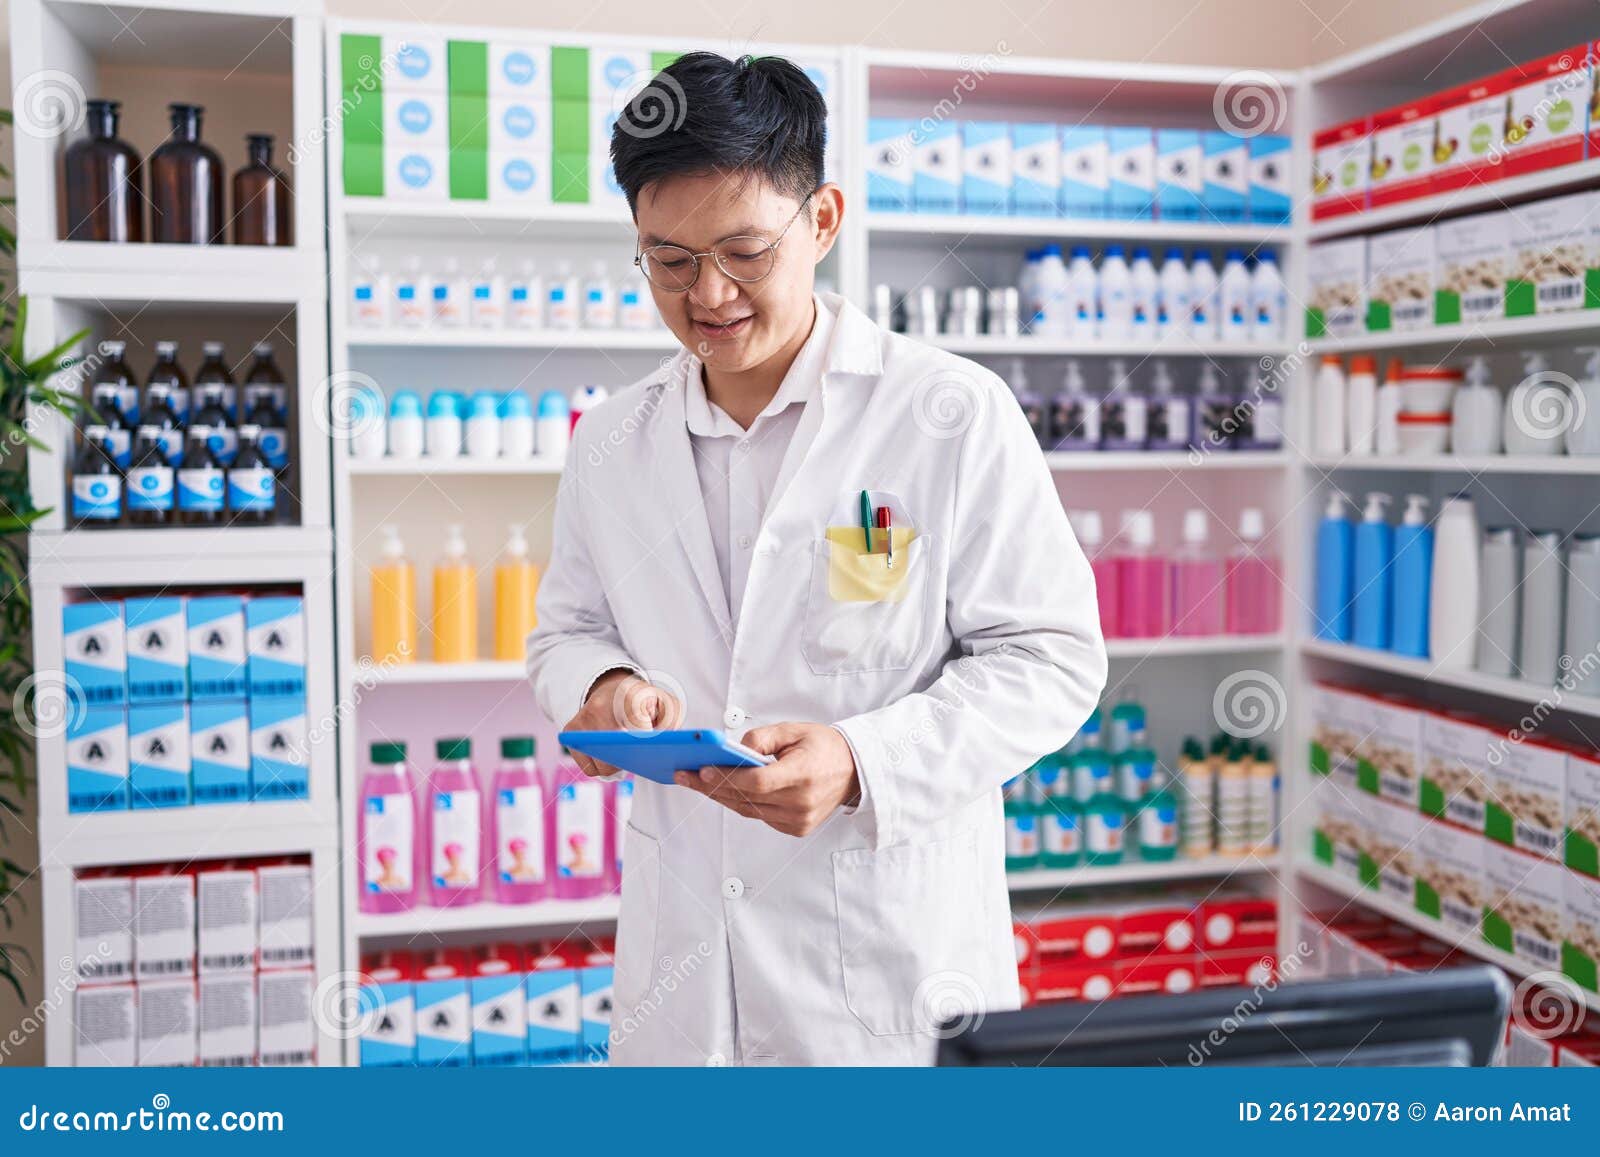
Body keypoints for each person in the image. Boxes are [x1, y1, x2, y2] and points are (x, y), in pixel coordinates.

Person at [527, 52, 1107, 1065]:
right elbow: (567, 628)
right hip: (683, 978)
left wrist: (859, 763)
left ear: (823, 220)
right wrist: (603, 684)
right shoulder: (610, 438)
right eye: (667, 260)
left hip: (884, 977)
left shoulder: (949, 414)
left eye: (744, 251)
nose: (708, 294)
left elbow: (1051, 660)